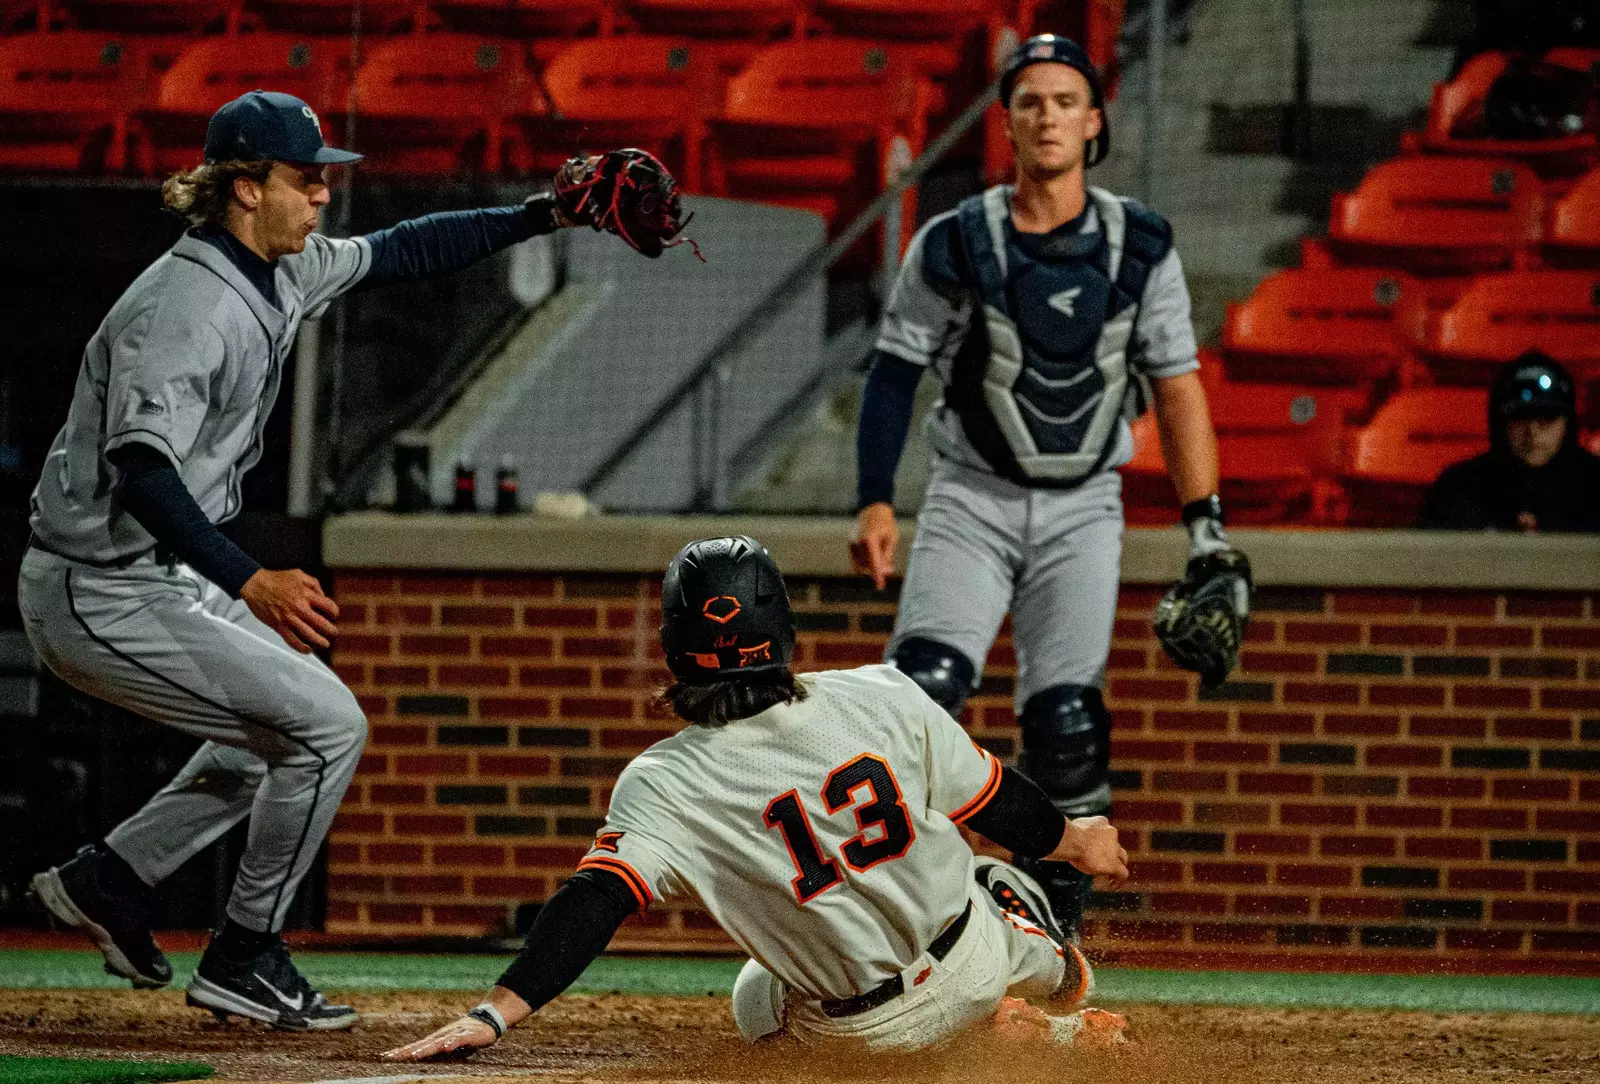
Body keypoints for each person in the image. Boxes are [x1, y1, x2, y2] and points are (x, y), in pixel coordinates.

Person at [20, 90, 664, 1030]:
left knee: (280, 731)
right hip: (95, 586)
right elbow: (141, 474)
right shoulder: (185, 307)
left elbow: (407, 249)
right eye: (305, 180)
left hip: (154, 573)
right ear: (243, 189)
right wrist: (252, 578)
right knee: (324, 727)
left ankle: (110, 881)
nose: (322, 197)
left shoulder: (272, 267)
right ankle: (246, 953)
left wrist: (545, 214)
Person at [383, 536, 1130, 1060]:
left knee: (758, 994)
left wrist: (496, 1013)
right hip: (968, 961)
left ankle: (1003, 1023)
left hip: (854, 1033)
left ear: (676, 646)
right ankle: (1058, 979)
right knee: (986, 876)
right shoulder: (882, 692)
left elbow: (593, 902)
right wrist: (1078, 843)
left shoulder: (662, 779)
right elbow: (1000, 806)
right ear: (782, 627)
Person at [848, 34, 1244, 937]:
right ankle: (907, 918)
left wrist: (1206, 529)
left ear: (1095, 120)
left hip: (1083, 505)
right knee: (923, 693)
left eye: (1066, 100)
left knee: (1067, 722)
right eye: (1030, 101)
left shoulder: (1141, 245)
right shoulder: (954, 242)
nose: (1048, 116)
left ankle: (1054, 932)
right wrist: (874, 495)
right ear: (1009, 122)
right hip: (971, 493)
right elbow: (893, 370)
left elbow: (1179, 388)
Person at [1418, 352, 1600, 533]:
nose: (1532, 432)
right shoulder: (1458, 489)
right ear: (1500, 423)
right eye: (1520, 418)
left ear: (1568, 423)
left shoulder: (1594, 486)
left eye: (1546, 418)